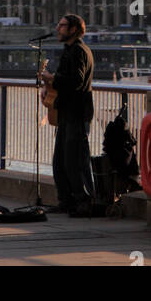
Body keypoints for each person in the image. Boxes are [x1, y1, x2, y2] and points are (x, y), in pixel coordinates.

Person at [41, 12, 94, 217]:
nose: (57, 29)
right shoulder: (71, 50)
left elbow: (76, 81)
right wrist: (50, 86)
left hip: (76, 112)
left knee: (75, 159)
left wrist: (52, 79)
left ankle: (83, 201)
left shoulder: (79, 51)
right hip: (67, 111)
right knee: (61, 160)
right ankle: (67, 200)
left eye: (62, 26)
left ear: (73, 29)